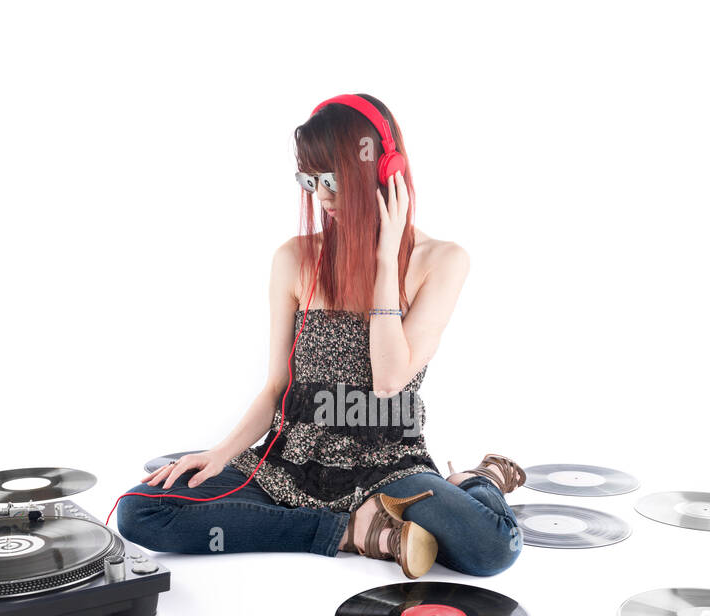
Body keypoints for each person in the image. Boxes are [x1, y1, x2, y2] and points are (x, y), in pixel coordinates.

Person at [117, 94, 524, 578]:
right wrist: (219, 454)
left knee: (491, 547)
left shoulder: (441, 261)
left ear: (382, 170)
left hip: (388, 467)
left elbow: (391, 380)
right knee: (141, 509)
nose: (321, 196)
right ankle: (352, 531)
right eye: (308, 180)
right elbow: (275, 387)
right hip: (291, 463)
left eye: (331, 179)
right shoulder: (293, 258)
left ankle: (480, 479)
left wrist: (384, 258)